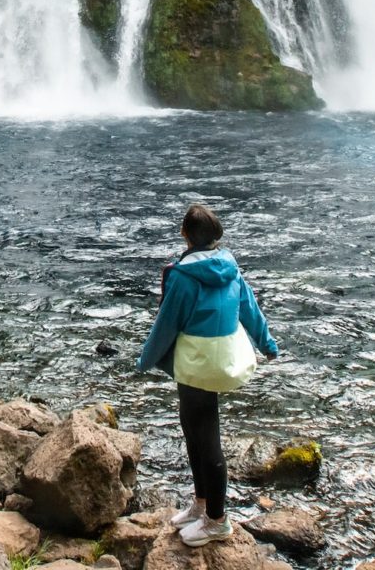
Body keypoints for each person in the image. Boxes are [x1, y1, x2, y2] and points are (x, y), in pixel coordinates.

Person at [136, 204, 280, 547]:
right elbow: (251, 311)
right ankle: (201, 505)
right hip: (223, 357)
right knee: (192, 426)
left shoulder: (184, 277)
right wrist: (268, 345)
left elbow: (167, 323)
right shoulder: (231, 269)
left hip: (197, 361)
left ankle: (217, 520)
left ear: (186, 235)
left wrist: (145, 359)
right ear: (216, 237)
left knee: (205, 436)